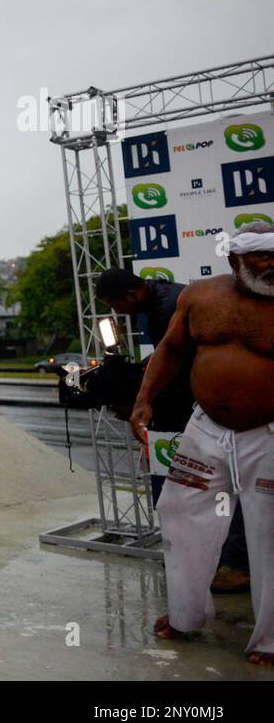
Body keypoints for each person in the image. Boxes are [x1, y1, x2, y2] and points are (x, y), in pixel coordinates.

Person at [130, 222, 274, 666]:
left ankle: (270, 640)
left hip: (267, 433)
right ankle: (185, 616)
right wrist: (143, 400)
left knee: (269, 532)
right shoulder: (200, 296)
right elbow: (170, 349)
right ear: (235, 261)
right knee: (178, 512)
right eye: (260, 260)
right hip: (206, 428)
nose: (271, 266)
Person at [98, 267, 249, 593]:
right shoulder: (156, 303)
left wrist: (146, 399)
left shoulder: (168, 306)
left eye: (114, 305)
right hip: (201, 402)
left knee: (225, 486)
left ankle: (235, 563)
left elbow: (179, 359)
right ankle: (213, 556)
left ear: (131, 295)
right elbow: (170, 353)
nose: (116, 313)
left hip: (211, 403)